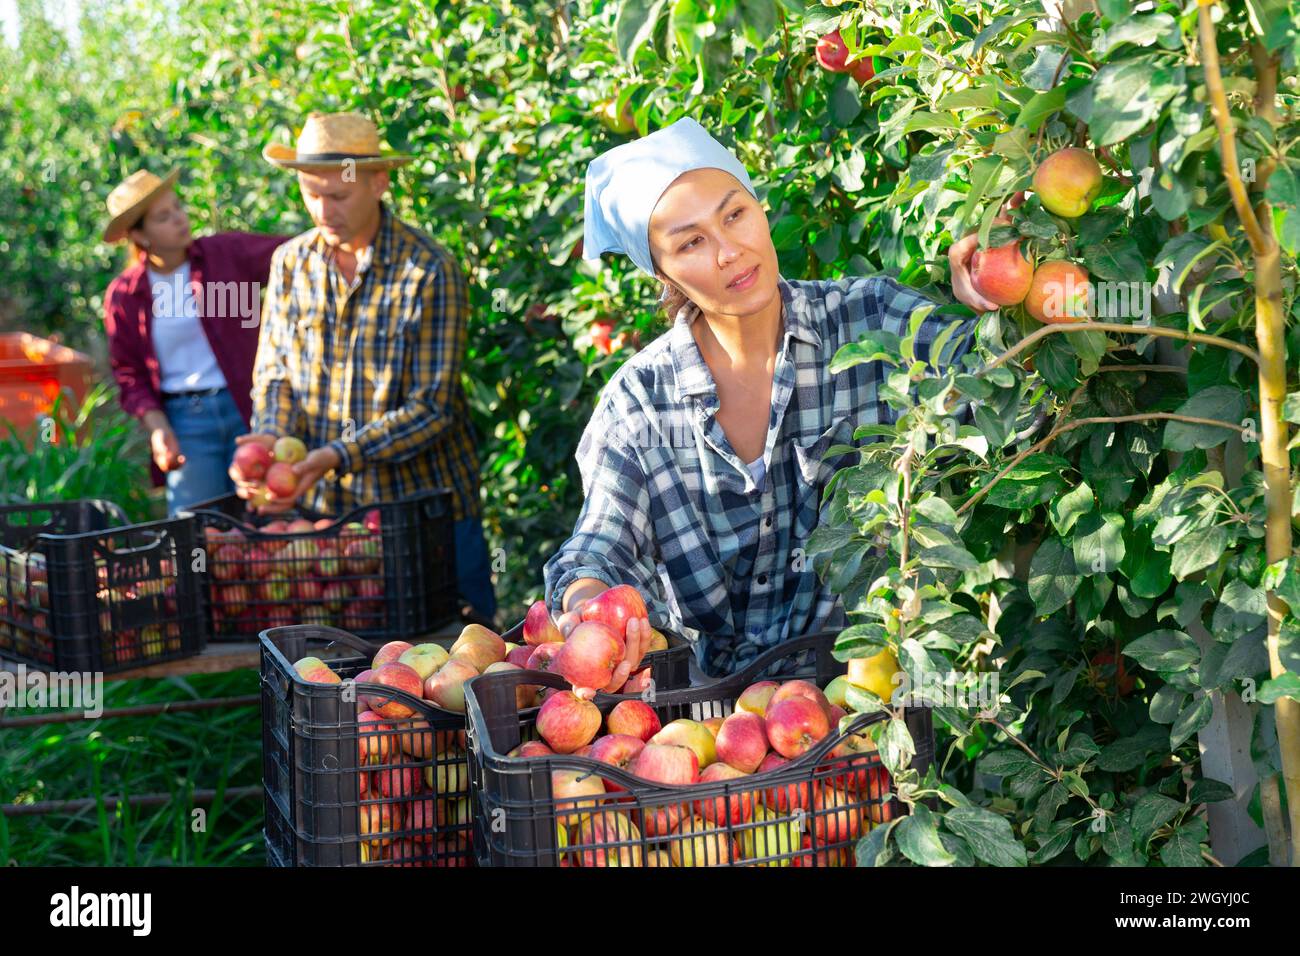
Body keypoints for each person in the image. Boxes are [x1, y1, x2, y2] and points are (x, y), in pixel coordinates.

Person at [543, 117, 996, 679]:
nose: (729, 251)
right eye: (691, 242)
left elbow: (1008, 405)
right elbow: (599, 543)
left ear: (758, 207)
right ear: (663, 272)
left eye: (735, 214)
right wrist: (590, 609)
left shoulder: (873, 323)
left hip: (866, 712)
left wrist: (999, 309)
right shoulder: (640, 404)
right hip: (710, 735)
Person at [232, 111, 497, 627]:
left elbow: (432, 408)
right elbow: (275, 374)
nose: (322, 209)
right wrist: (269, 444)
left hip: (422, 514)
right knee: (338, 663)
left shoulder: (428, 269)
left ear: (379, 182)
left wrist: (335, 454)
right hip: (329, 516)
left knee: (456, 662)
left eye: (338, 196)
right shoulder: (290, 264)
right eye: (311, 194)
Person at [102, 168, 289, 514]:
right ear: (141, 237)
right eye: (163, 217)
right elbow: (128, 373)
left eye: (177, 208)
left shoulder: (227, 254)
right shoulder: (126, 296)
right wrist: (158, 429)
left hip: (249, 408)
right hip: (186, 421)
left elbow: (294, 255)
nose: (179, 219)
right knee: (195, 531)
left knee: (268, 517)